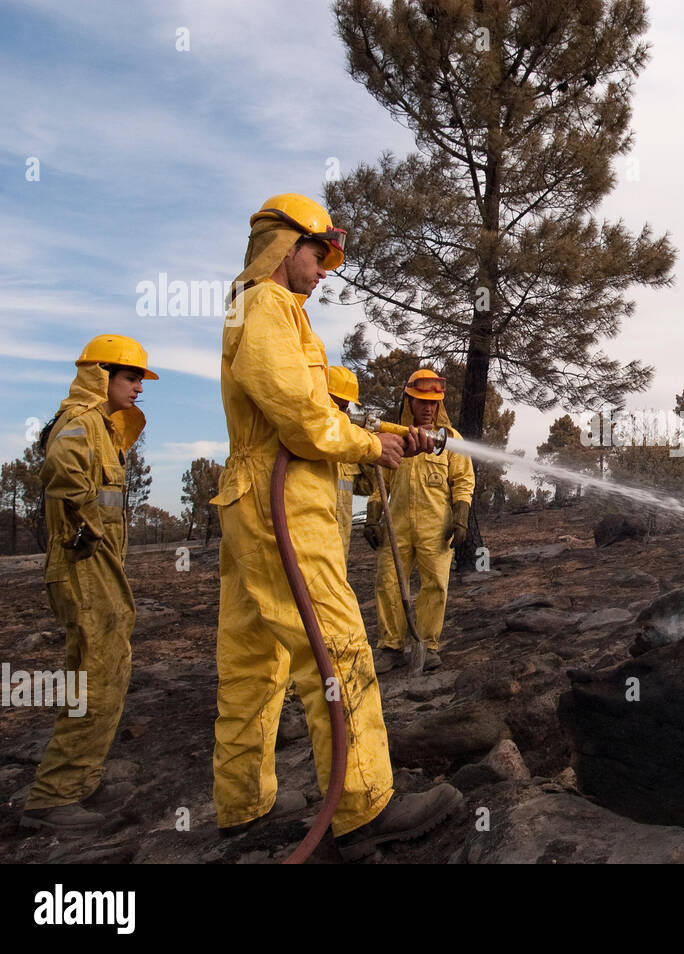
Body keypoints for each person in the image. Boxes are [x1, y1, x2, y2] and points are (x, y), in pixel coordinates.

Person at [210, 193, 461, 859]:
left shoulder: (253, 305)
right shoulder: (266, 303)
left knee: (251, 658)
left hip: (250, 500)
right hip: (283, 504)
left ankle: (242, 805)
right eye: (318, 254)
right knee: (339, 646)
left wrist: (381, 436)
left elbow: (302, 413)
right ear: (283, 244)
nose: (325, 270)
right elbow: (297, 413)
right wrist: (363, 446)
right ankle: (362, 806)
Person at [21, 335, 156, 831]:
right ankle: (55, 798)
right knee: (97, 674)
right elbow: (63, 471)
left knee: (101, 671)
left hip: (97, 566)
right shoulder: (81, 423)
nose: (140, 387)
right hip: (85, 567)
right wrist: (84, 529)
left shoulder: (102, 428)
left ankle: (78, 781)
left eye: (140, 378)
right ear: (101, 375)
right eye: (131, 377)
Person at [365, 369, 474, 673]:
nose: (428, 408)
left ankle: (427, 645)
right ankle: (390, 647)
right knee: (388, 583)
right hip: (396, 525)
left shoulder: (450, 440)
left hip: (435, 526)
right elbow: (380, 480)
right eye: (421, 402)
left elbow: (463, 481)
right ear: (409, 402)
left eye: (433, 403)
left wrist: (461, 517)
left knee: (435, 585)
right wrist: (373, 515)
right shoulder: (396, 438)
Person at [326, 365, 373, 562]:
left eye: (345, 408)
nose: (343, 414)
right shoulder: (309, 446)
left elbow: (366, 487)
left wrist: (367, 449)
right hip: (311, 544)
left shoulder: (348, 450)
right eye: (337, 405)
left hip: (339, 547)